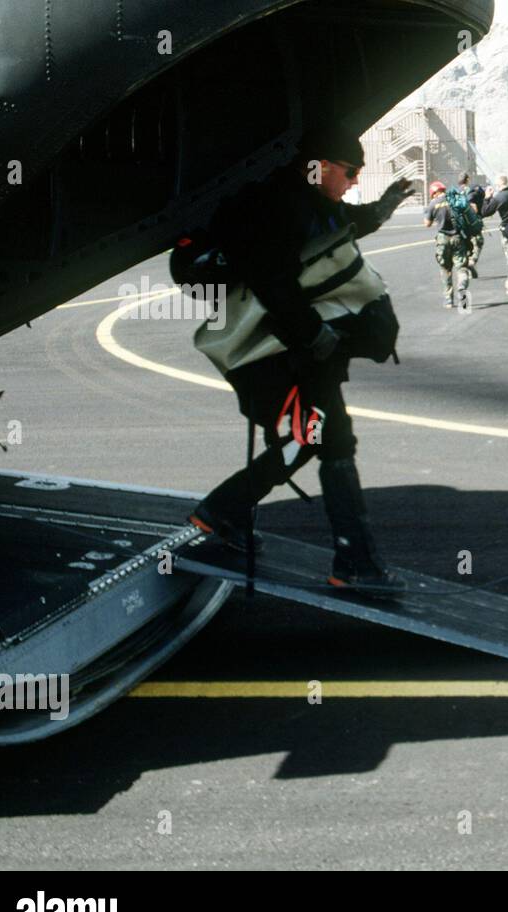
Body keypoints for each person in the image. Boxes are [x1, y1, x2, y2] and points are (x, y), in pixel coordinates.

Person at [183, 122, 410, 595]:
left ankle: (223, 511)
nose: (354, 180)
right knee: (332, 439)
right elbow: (274, 282)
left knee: (318, 437)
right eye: (350, 171)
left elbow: (337, 229)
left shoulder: (306, 199)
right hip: (292, 352)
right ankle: (355, 563)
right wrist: (315, 336)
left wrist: (383, 207)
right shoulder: (282, 206)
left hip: (302, 349)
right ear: (320, 166)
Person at [423, 181, 471, 310]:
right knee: (461, 268)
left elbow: (427, 224)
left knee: (445, 269)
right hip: (458, 238)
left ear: (434, 192)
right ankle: (463, 296)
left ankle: (449, 300)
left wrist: (429, 213)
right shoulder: (455, 200)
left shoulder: (433, 203)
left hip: (443, 240)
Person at [456, 171, 485, 278]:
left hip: (459, 224)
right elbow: (474, 206)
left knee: (464, 245)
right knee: (479, 242)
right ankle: (472, 261)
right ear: (467, 179)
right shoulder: (471, 189)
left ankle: (466, 268)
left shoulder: (455, 191)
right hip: (471, 223)